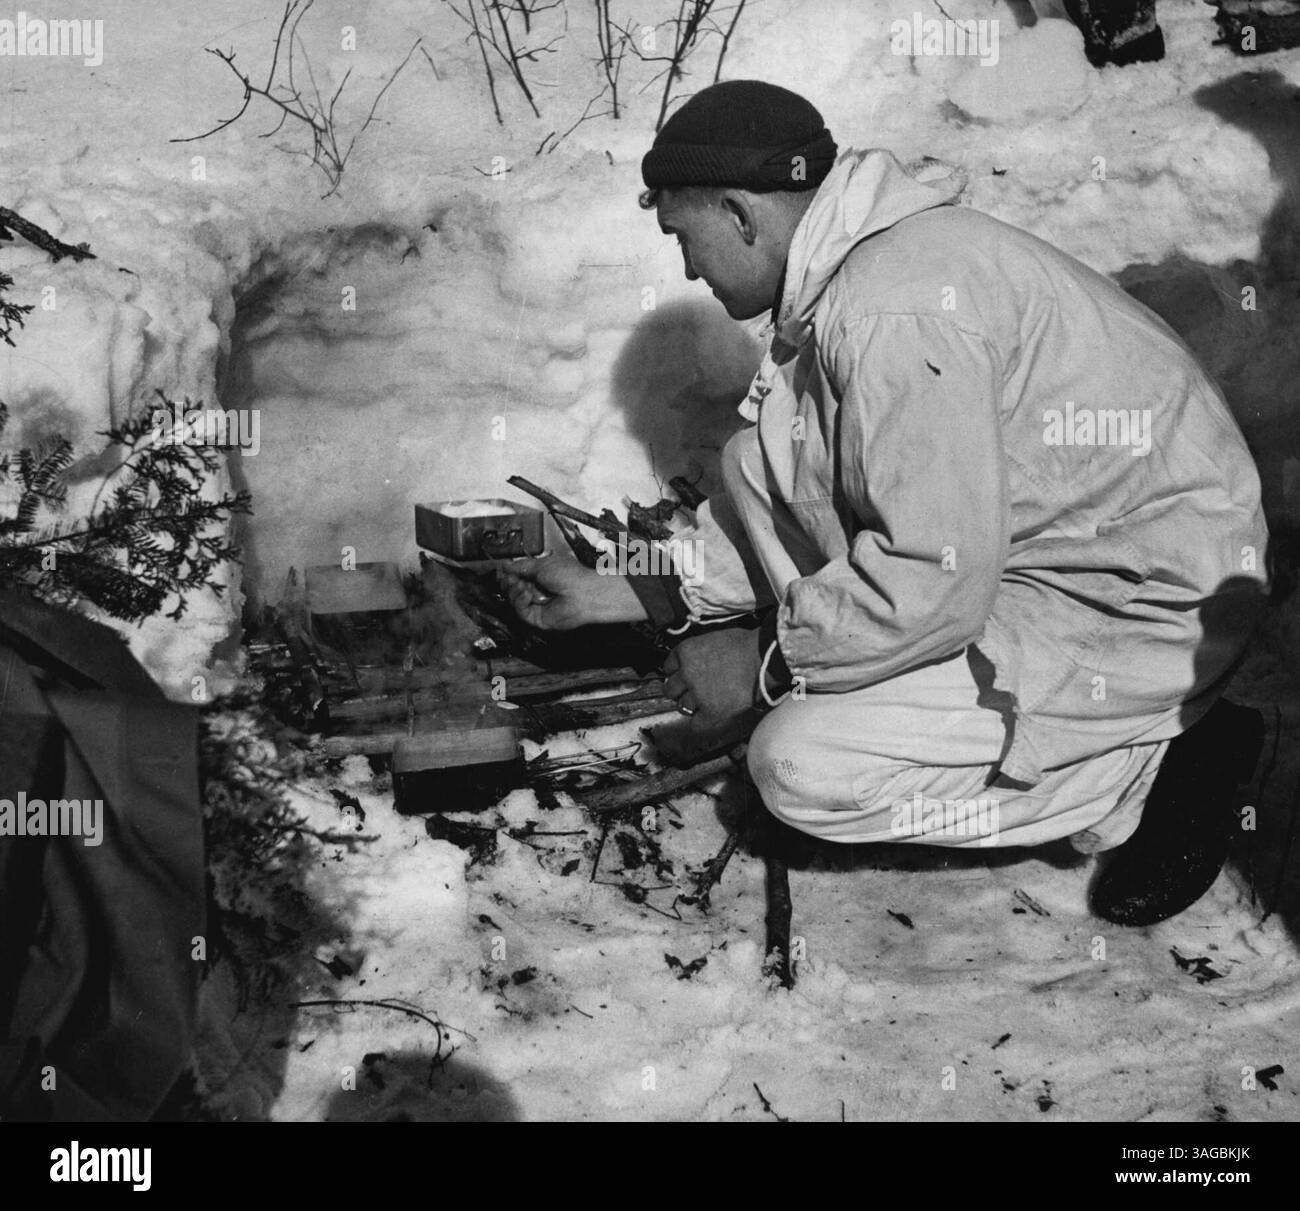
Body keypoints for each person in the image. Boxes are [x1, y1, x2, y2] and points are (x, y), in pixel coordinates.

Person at [500, 80, 1268, 927]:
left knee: (800, 766)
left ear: (741, 213)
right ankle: (1125, 741)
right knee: (758, 454)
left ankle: (1148, 767)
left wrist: (767, 660)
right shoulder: (861, 279)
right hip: (1049, 560)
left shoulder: (893, 311)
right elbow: (797, 485)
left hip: (1143, 601)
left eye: (684, 238)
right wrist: (623, 585)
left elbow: (929, 573)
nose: (687, 267)